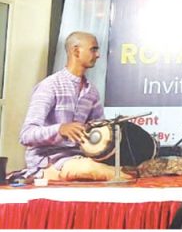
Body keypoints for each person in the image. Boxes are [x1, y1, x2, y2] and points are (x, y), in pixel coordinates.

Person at [19, 31, 131, 181]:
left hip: (80, 158)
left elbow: (98, 134)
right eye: (93, 49)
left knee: (129, 166)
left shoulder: (91, 92)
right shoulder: (50, 86)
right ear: (76, 51)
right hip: (48, 163)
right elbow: (26, 135)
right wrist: (60, 129)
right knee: (98, 170)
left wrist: (109, 131)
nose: (98, 55)